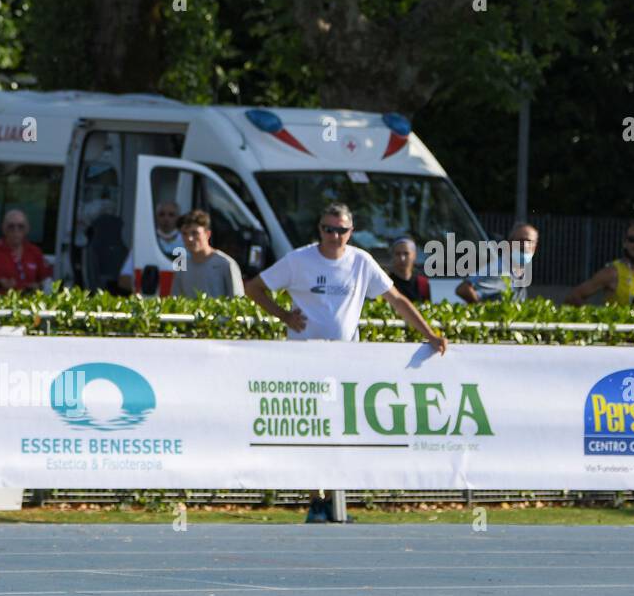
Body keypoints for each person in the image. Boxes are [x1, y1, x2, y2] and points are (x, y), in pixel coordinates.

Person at [244, 203, 447, 523]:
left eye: (340, 230)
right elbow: (253, 287)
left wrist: (430, 334)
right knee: (312, 432)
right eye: (328, 229)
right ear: (319, 229)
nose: (334, 236)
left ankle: (338, 503)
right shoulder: (298, 260)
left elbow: (396, 300)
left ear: (351, 232)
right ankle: (316, 503)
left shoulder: (361, 261)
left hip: (345, 364)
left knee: (342, 431)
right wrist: (284, 315)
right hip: (305, 360)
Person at [565, 220, 634, 309]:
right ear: (625, 243)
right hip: (621, 332)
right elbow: (574, 296)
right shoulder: (612, 272)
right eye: (632, 240)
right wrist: (598, 317)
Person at [455, 222, 538, 304]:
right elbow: (463, 289)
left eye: (530, 241)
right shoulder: (499, 270)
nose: (525, 245)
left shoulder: (518, 271)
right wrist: (484, 310)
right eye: (520, 240)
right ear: (509, 244)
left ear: (535, 247)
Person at [0, 208, 51, 293]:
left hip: (28, 304)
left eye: (20, 226)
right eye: (11, 226)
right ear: (3, 228)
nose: (16, 230)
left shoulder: (35, 252)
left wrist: (38, 286)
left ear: (27, 229)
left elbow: (47, 283)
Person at [170, 209, 244, 298]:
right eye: (185, 234)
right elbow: (175, 301)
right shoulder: (182, 266)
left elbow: (237, 302)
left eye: (195, 233)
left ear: (207, 234)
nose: (189, 238)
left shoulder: (225, 264)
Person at [120, 201, 186, 293]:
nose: (166, 218)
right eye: (161, 214)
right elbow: (124, 279)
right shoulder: (144, 242)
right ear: (156, 217)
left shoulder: (187, 242)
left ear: (178, 218)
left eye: (171, 215)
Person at [388, 236, 430, 302]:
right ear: (392, 256)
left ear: (414, 255)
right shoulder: (386, 283)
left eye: (406, 253)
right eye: (398, 254)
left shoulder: (423, 284)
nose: (402, 258)